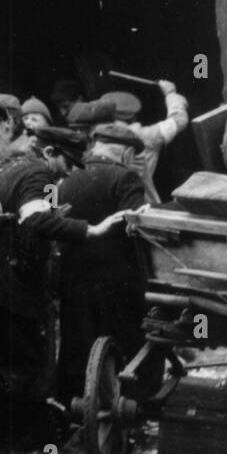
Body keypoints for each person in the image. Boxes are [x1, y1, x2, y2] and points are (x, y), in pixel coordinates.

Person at [0, 98, 124, 454]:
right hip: (6, 284)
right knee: (24, 367)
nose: (67, 173)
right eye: (67, 164)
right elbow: (34, 220)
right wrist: (92, 229)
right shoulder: (36, 173)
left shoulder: (15, 169)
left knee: (3, 364)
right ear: (50, 152)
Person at [54, 122, 148, 410]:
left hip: (73, 280)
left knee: (76, 344)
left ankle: (71, 407)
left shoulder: (66, 179)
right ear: (128, 152)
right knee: (120, 347)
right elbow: (136, 228)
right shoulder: (126, 178)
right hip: (117, 283)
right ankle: (124, 407)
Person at [99, 81, 189, 204]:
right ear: (134, 117)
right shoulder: (142, 136)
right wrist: (171, 93)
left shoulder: (96, 136)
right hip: (142, 205)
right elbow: (179, 120)